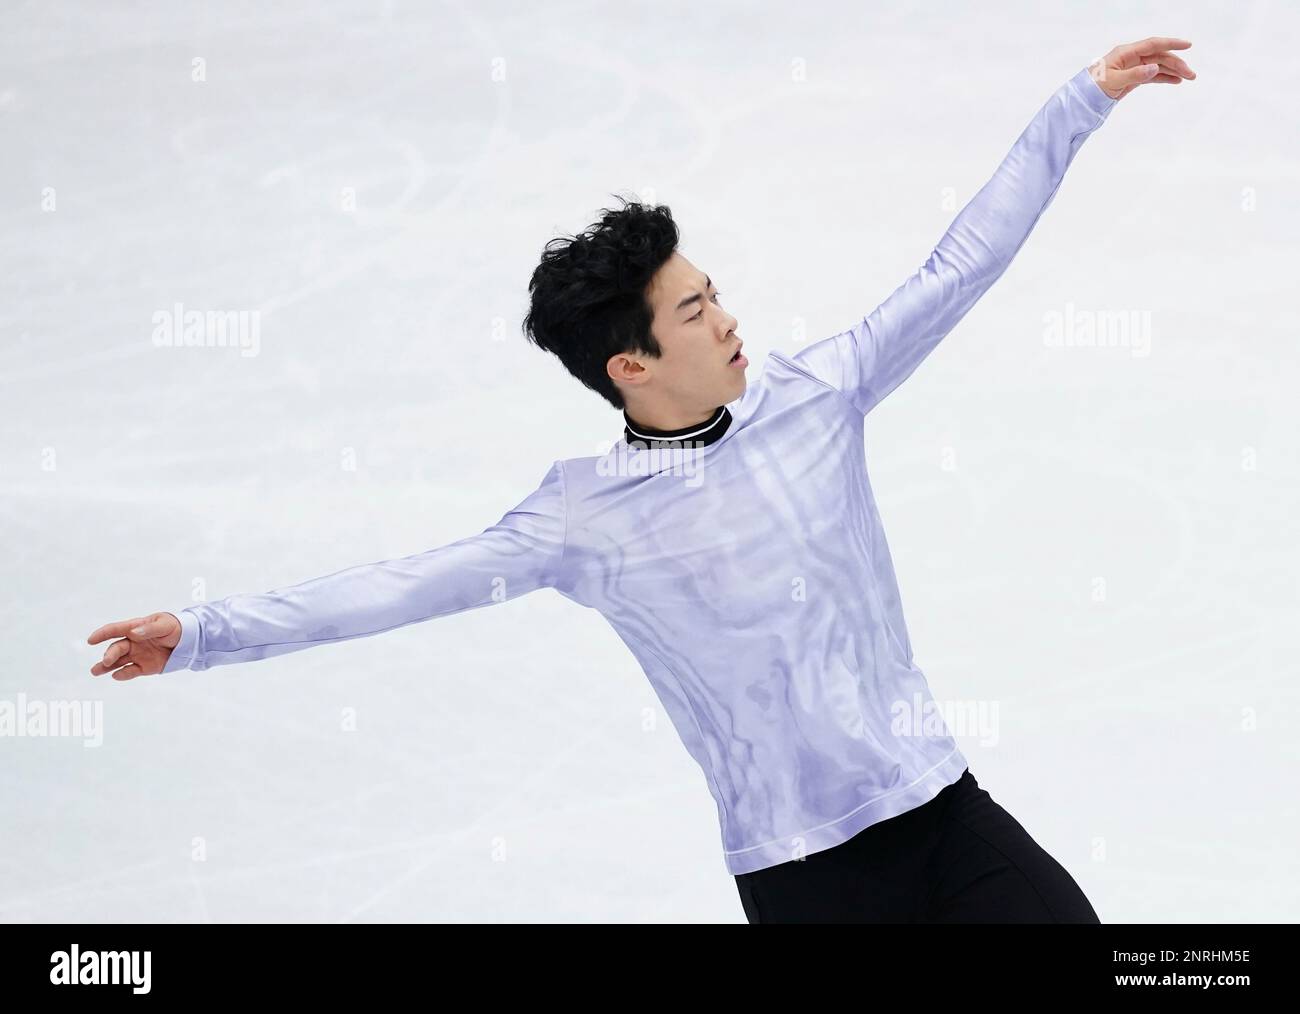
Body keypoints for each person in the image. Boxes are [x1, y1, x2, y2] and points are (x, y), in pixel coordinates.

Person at [88, 38, 1195, 923]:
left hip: (941, 814)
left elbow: (960, 266)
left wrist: (1078, 103)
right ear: (630, 366)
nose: (727, 318)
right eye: (694, 310)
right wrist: (205, 630)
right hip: (803, 879)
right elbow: (403, 586)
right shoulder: (583, 519)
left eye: (713, 291)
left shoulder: (819, 395)